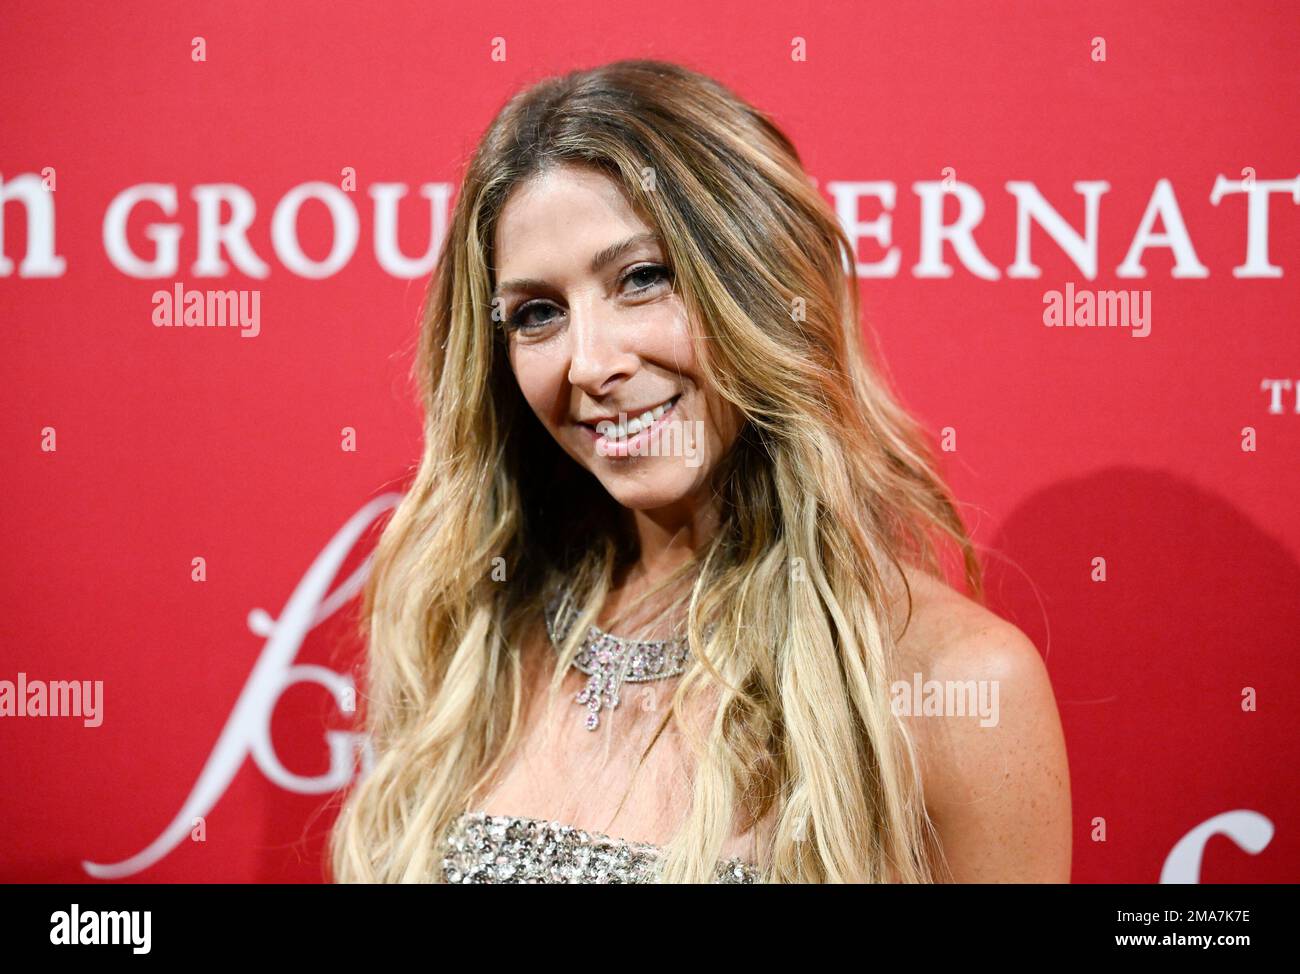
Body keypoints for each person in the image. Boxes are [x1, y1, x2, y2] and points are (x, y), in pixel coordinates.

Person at [329, 58, 1071, 883]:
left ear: (758, 281)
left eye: (643, 279)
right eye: (539, 313)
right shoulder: (471, 634)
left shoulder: (954, 684)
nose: (590, 363)